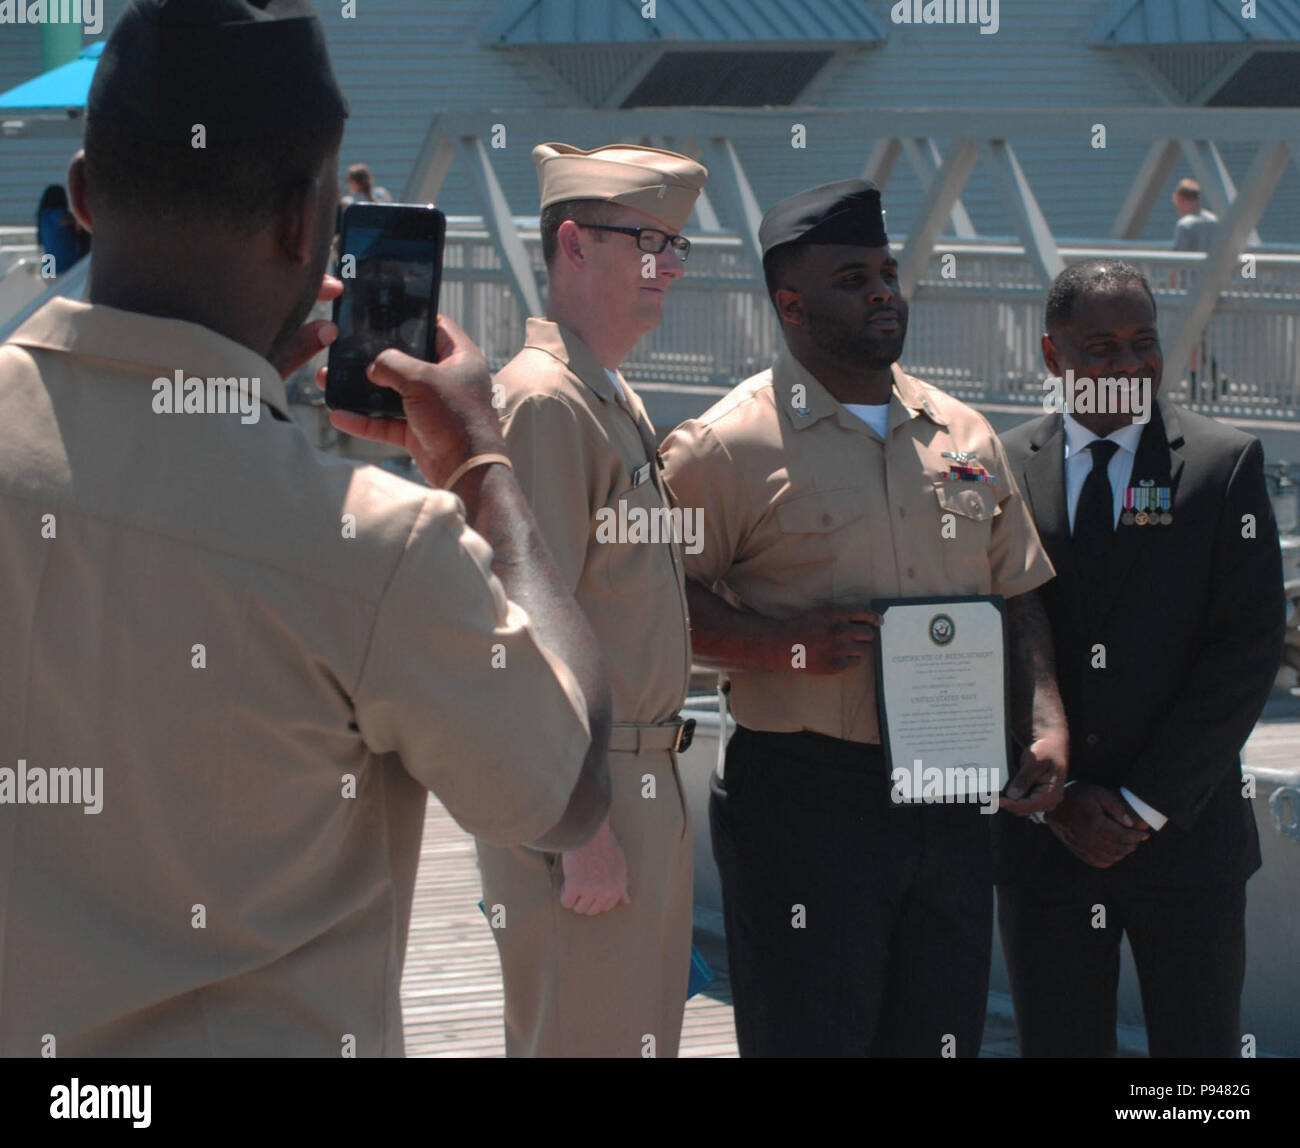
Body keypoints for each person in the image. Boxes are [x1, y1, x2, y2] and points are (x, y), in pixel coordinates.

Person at [0, 0, 610, 1058]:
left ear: (87, 194)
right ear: (303, 228)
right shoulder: (376, 545)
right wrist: (481, 463)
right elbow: (562, 794)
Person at [660, 179, 1068, 1058]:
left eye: (887, 271)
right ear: (792, 306)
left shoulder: (962, 434)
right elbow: (652, 601)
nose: (883, 290)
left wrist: (1046, 719)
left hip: (951, 793)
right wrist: (777, 645)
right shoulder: (724, 446)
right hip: (806, 800)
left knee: (939, 1033)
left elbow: (1017, 589)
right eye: (853, 278)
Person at [993, 259, 1284, 1058]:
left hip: (1183, 837)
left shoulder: (1224, 466)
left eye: (1143, 342)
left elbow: (1247, 648)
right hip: (1045, 841)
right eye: (1102, 346)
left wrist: (1141, 803)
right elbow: (992, 638)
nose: (1128, 364)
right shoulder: (1001, 466)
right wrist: (1059, 803)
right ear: (1053, 357)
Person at [474, 141, 707, 1058]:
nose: (673, 267)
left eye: (679, 246)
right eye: (652, 242)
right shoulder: (546, 402)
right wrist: (582, 826)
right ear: (575, 244)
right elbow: (523, 632)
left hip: (634, 785)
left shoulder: (602, 394)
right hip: (590, 795)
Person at [35, 184, 84, 275]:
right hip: (63, 266)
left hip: (49, 266)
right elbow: (65, 220)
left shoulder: (44, 216)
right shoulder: (55, 213)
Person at [1172, 178, 1219, 253]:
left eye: (1177, 203)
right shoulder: (1215, 221)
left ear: (1181, 199)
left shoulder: (1184, 225)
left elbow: (1179, 258)